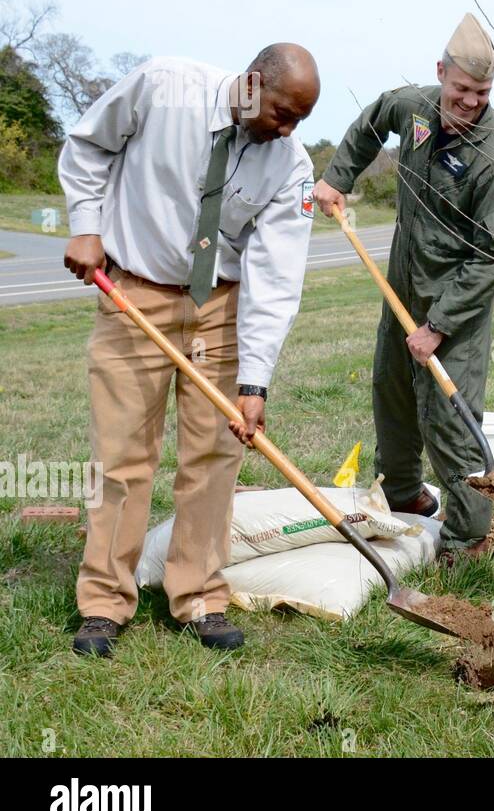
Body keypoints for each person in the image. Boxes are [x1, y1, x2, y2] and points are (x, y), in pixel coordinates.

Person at [60, 45, 321, 656]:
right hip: (134, 294)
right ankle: (104, 603)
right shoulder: (163, 87)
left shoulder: (290, 164)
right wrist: (85, 224)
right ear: (253, 84)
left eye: (300, 121)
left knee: (213, 456)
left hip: (220, 310)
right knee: (121, 456)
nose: (289, 130)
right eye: (284, 113)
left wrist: (254, 385)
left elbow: (277, 277)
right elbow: (88, 144)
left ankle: (199, 595)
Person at [315, 14, 494, 564]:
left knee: (450, 419)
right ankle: (405, 491)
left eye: (481, 93)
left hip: (456, 303)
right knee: (392, 391)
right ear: (441, 74)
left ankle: (467, 537)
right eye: (460, 89)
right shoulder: (413, 108)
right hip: (402, 286)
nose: (469, 102)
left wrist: (438, 326)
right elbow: (369, 122)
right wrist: (338, 177)